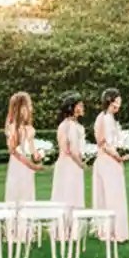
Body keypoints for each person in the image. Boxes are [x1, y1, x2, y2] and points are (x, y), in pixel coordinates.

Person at [92, 88, 129, 243]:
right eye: (118, 100)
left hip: (110, 161)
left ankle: (113, 230)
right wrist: (118, 156)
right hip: (107, 161)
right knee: (111, 196)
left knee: (113, 195)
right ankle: (112, 232)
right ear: (111, 101)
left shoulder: (110, 119)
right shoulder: (104, 118)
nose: (119, 104)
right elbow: (104, 143)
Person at [50, 91, 87, 241]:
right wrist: (81, 164)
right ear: (72, 108)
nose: (82, 107)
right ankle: (68, 230)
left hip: (65, 164)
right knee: (70, 195)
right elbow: (69, 149)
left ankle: (65, 229)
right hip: (70, 165)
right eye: (80, 105)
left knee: (65, 194)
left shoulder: (65, 125)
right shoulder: (70, 125)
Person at [4, 91, 43, 205]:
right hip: (18, 164)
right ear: (19, 109)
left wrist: (37, 155)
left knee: (28, 193)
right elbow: (13, 150)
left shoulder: (29, 127)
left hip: (27, 166)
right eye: (27, 106)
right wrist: (31, 165)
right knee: (17, 193)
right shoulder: (13, 128)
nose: (30, 109)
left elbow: (31, 147)